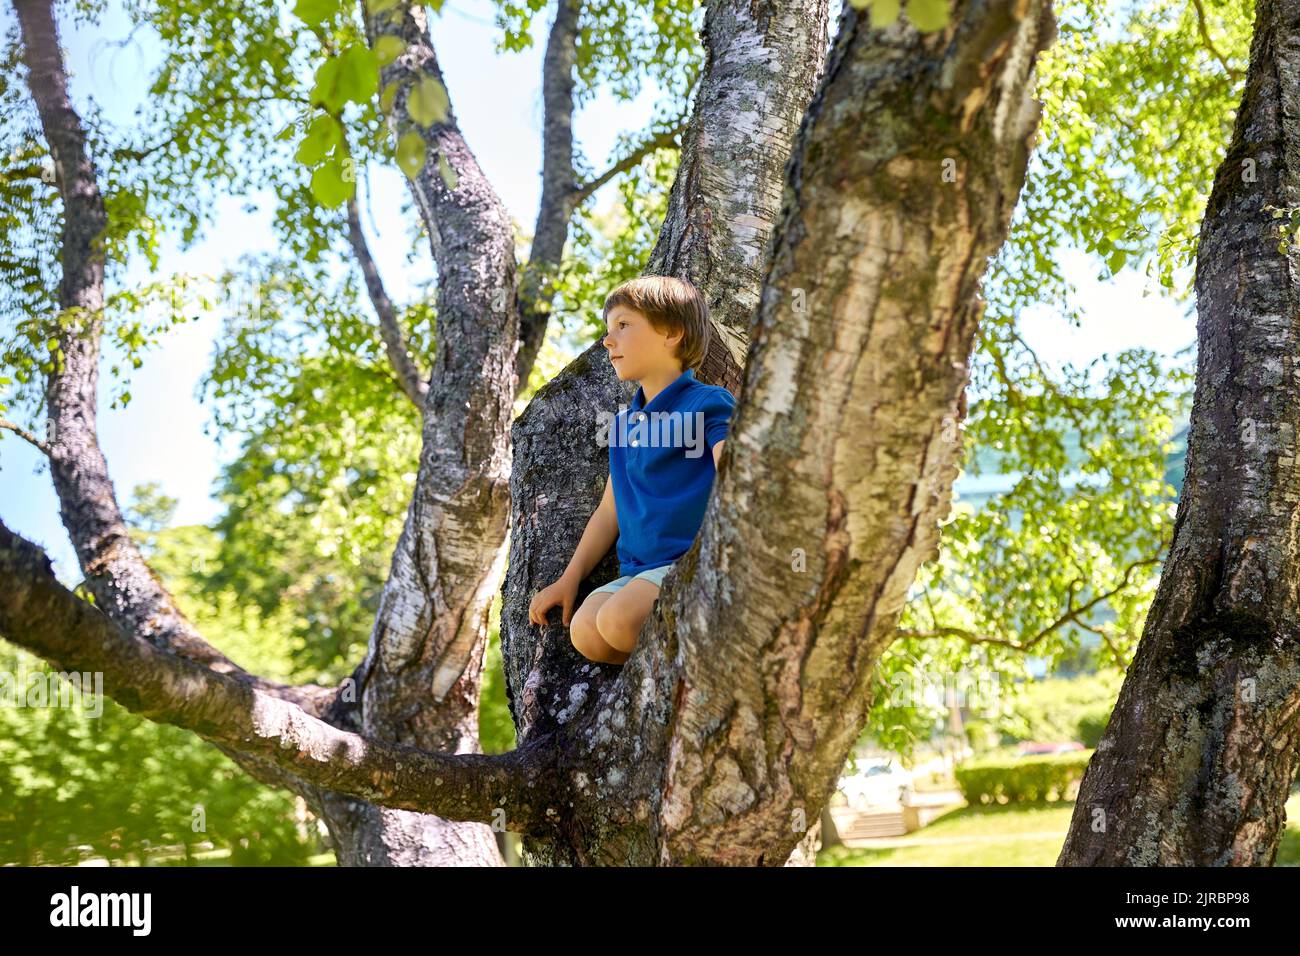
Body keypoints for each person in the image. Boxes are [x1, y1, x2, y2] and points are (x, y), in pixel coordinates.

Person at [527, 276, 735, 664]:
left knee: (619, 621)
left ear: (672, 332)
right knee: (587, 631)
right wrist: (569, 579)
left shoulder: (709, 402)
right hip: (639, 572)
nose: (608, 340)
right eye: (609, 330)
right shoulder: (623, 425)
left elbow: (735, 484)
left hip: (689, 565)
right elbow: (610, 511)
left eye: (623, 325)